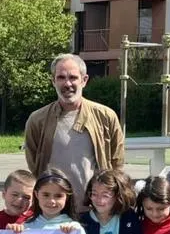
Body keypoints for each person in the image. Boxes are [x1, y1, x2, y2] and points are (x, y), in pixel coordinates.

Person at [24, 53, 124, 211]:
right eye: (61, 77)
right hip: (54, 210)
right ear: (53, 81)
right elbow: (34, 165)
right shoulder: (37, 120)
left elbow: (116, 163)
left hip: (95, 210)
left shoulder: (106, 116)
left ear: (84, 80)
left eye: (73, 77)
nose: (67, 83)